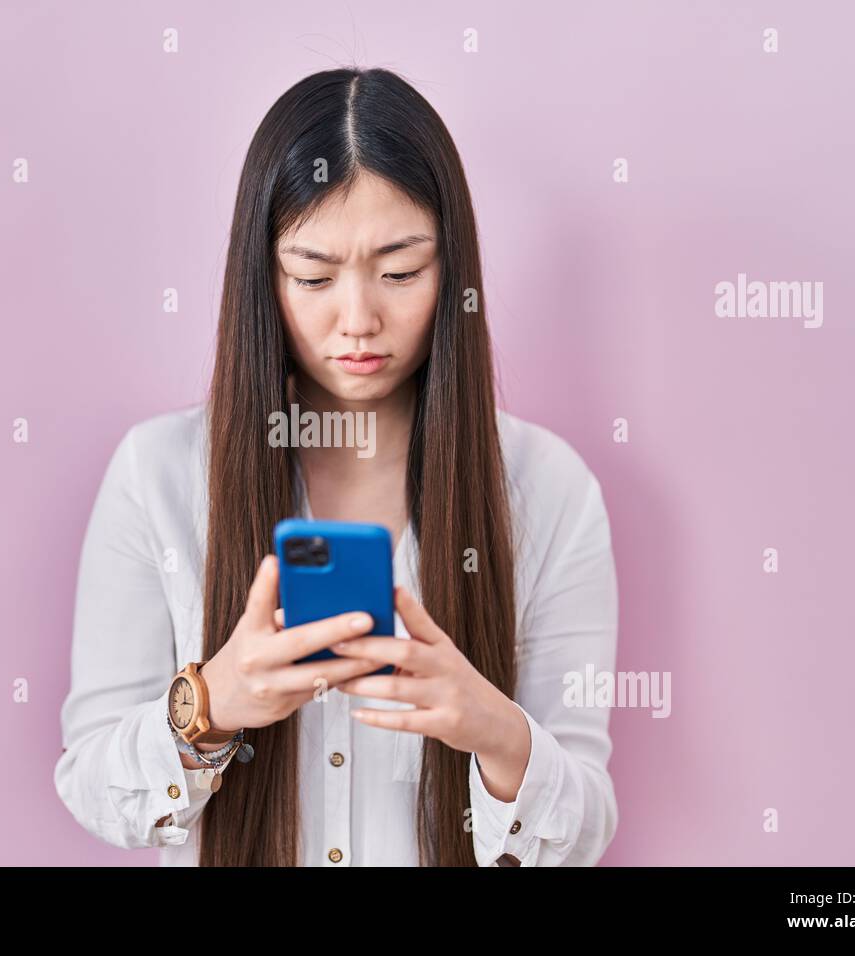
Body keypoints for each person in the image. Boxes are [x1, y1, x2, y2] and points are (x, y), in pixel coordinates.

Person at [54, 66, 619, 866]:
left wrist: (486, 724)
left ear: (451, 269)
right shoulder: (158, 475)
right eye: (313, 276)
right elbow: (92, 786)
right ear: (264, 275)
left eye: (400, 273)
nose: (358, 319)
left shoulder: (549, 489)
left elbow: (586, 824)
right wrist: (213, 704)